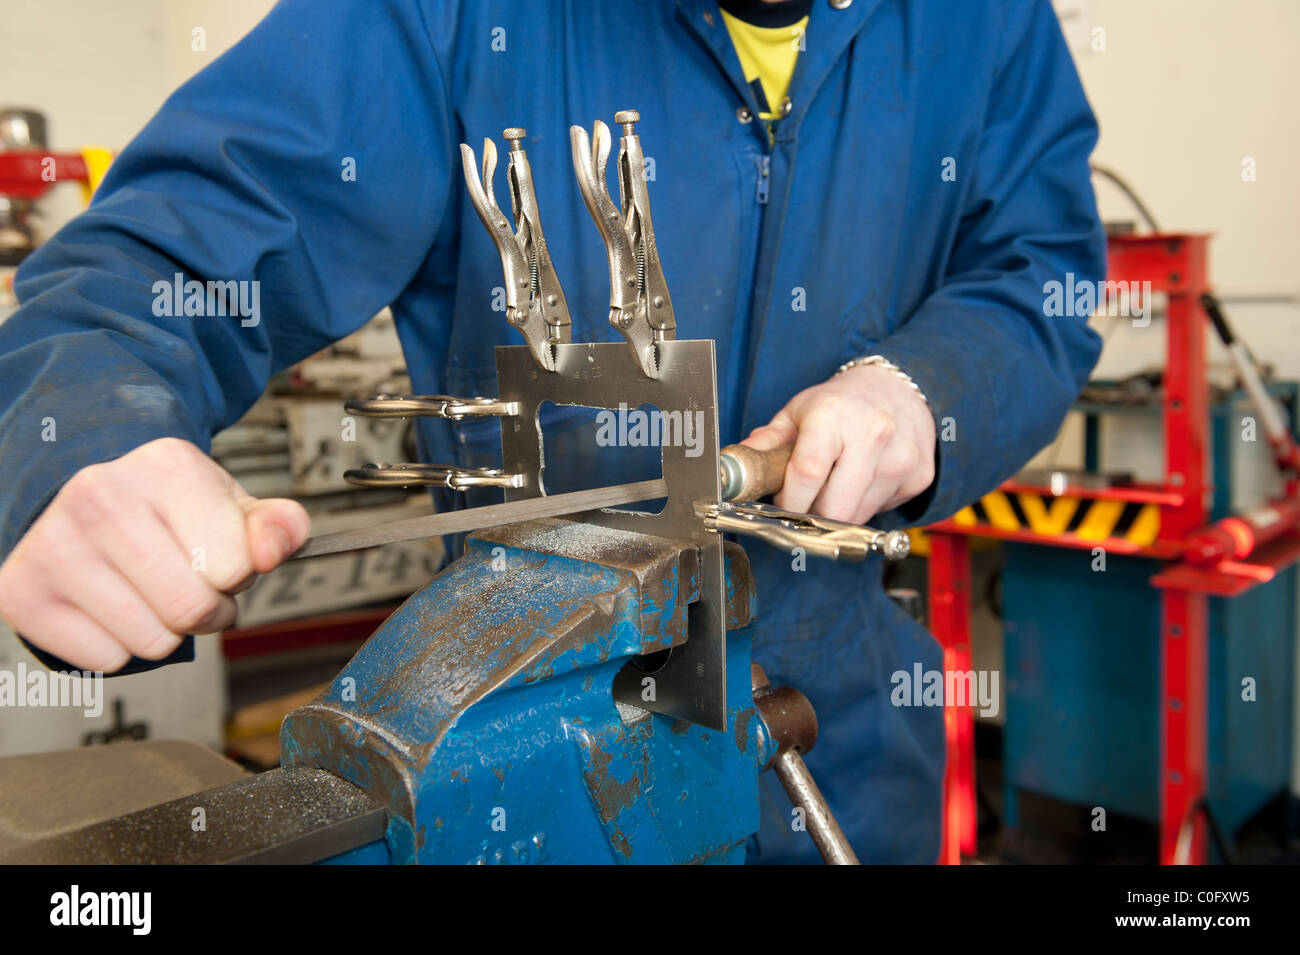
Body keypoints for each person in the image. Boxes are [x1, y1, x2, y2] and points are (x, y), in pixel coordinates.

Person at [0, 0, 1105, 863]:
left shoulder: (986, 20)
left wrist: (923, 385)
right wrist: (77, 435)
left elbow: (1037, 273)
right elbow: (166, 251)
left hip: (845, 736)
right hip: (521, 742)